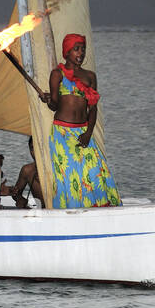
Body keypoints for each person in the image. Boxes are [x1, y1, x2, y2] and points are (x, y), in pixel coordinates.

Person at [44, 33, 121, 209]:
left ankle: (99, 209)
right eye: (76, 49)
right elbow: (55, 105)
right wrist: (49, 100)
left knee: (95, 171)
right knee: (71, 175)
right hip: (62, 133)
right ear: (67, 51)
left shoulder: (90, 76)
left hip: (83, 131)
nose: (81, 53)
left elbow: (92, 108)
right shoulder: (57, 74)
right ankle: (72, 210)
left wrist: (88, 133)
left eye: (83, 49)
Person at [9, 135, 45, 208]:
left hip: (61, 212)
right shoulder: (27, 171)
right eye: (32, 148)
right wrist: (20, 199)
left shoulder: (57, 170)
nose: (35, 152)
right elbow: (16, 193)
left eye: (38, 147)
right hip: (41, 213)